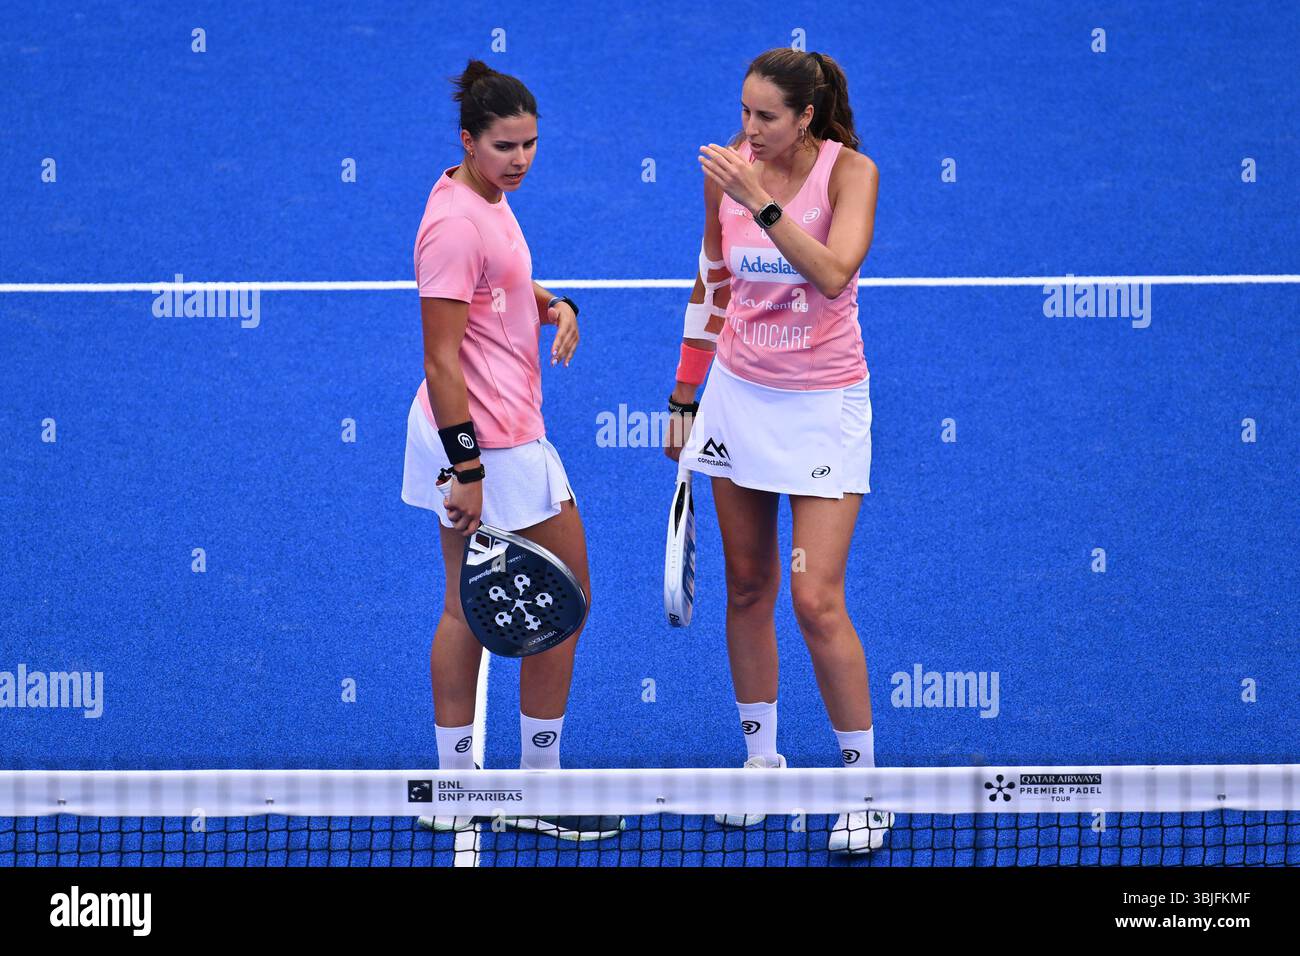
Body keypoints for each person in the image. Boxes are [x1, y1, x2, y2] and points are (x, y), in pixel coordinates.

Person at [665, 48, 891, 853]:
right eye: (744, 111)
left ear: (805, 117)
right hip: (738, 398)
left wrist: (759, 202)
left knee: (815, 599)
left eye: (766, 116)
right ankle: (762, 762)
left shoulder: (850, 175)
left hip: (824, 406)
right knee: (749, 585)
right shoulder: (727, 171)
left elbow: (832, 273)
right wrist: (685, 395)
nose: (749, 129)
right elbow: (712, 283)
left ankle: (864, 788)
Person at [403, 59, 619, 841]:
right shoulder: (455, 225)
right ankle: (533, 788)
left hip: (489, 432)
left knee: (467, 606)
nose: (521, 158)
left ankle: (455, 788)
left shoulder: (484, 197)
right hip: (487, 439)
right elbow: (441, 359)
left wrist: (554, 303)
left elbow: (500, 284)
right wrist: (466, 469)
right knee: (564, 601)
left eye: (530, 144)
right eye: (504, 146)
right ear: (468, 140)